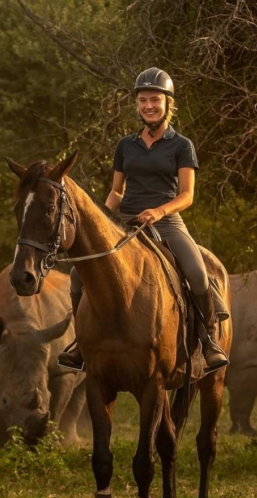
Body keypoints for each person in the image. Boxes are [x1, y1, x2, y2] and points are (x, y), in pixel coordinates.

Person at [58, 67, 230, 374]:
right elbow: (116, 190)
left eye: (155, 99)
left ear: (167, 104)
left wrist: (160, 211)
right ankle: (79, 343)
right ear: (137, 105)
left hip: (166, 222)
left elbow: (188, 195)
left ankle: (209, 341)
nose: (149, 106)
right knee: (75, 275)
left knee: (197, 272)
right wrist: (100, 216)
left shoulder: (181, 145)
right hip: (127, 222)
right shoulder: (126, 145)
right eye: (143, 100)